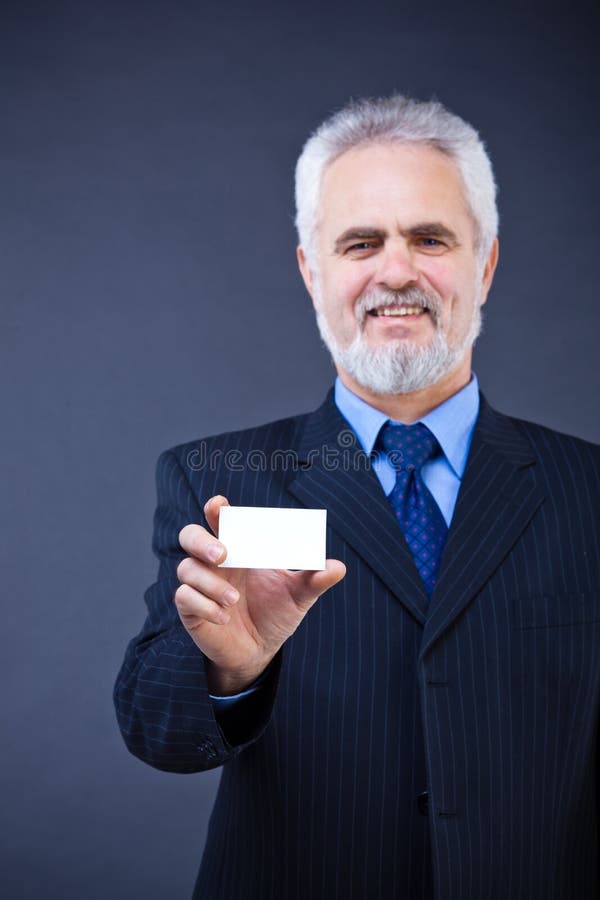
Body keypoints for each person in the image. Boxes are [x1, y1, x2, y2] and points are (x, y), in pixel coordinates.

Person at [114, 95, 600, 900]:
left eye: (430, 239)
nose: (396, 272)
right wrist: (231, 670)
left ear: (484, 265)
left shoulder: (587, 492)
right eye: (361, 242)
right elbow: (155, 731)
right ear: (313, 272)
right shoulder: (224, 480)